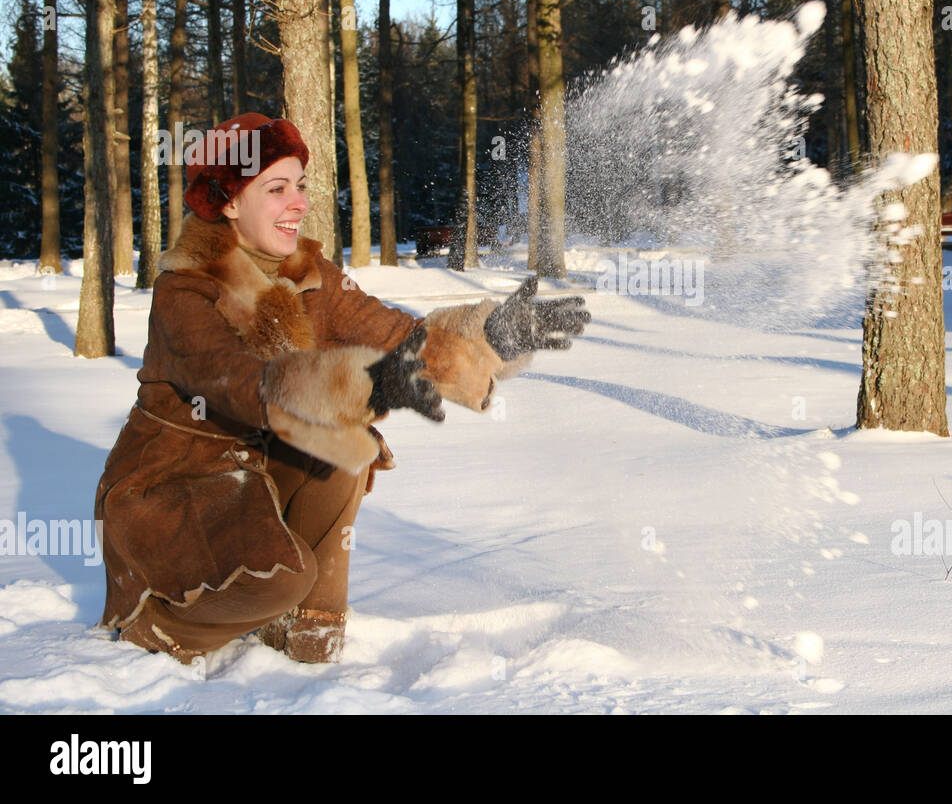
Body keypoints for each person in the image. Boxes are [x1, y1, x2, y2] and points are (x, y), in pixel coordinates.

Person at [93, 112, 589, 664]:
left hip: (256, 474)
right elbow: (243, 385)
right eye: (276, 188)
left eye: (299, 186)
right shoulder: (184, 291)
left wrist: (490, 335)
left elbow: (396, 333)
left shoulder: (312, 275)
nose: (298, 203)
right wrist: (374, 384)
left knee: (348, 448)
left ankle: (310, 643)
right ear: (228, 201)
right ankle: (158, 626)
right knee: (282, 578)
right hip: (176, 487)